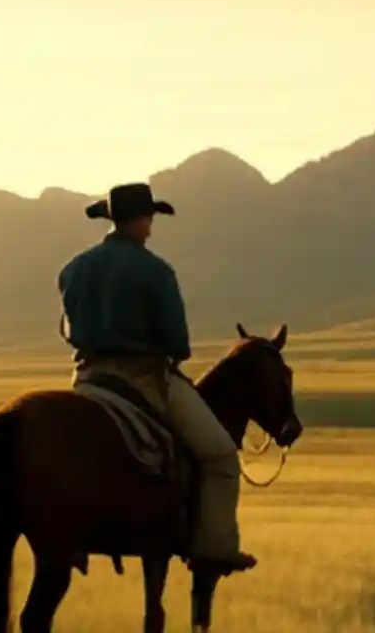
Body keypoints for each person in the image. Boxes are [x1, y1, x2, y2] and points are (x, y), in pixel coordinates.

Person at [57, 182, 256, 576]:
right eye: (151, 218)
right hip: (144, 378)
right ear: (144, 220)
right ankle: (213, 551)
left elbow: (67, 329)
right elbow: (178, 344)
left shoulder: (73, 269)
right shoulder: (156, 271)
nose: (152, 225)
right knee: (219, 456)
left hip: (88, 379)